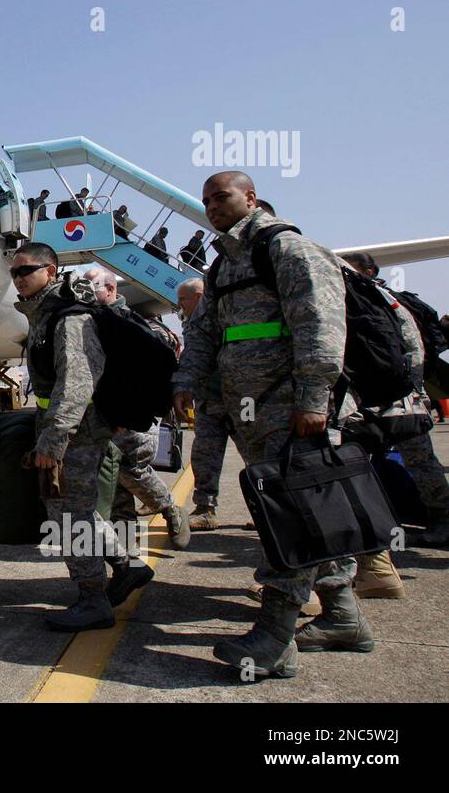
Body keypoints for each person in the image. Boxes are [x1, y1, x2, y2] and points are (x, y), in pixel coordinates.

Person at [174, 172, 365, 680]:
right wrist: (188, 377)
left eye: (223, 197)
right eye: (207, 200)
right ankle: (345, 617)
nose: (213, 206)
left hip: (292, 409)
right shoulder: (222, 266)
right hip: (251, 410)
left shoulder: (286, 249)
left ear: (251, 198)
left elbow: (320, 327)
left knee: (293, 517)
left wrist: (313, 399)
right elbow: (204, 330)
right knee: (301, 512)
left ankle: (274, 639)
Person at [12, 247, 146, 630]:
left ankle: (92, 600)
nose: (19, 277)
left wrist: (53, 442)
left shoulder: (68, 318)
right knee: (77, 512)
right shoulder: (44, 314)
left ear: (50, 271)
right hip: (66, 428)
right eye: (14, 271)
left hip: (76, 432)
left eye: (27, 270)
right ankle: (125, 567)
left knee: (69, 518)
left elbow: (76, 385)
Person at [339, 253, 449, 548]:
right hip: (394, 397)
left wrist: (413, 391)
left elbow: (414, 347)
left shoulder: (378, 300)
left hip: (390, 398)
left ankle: (441, 520)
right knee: (413, 459)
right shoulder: (386, 300)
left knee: (418, 460)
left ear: (370, 271)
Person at [83, 268, 190, 549]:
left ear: (111, 290)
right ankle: (123, 544)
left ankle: (169, 509)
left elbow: (150, 376)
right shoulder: (87, 323)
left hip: (131, 415)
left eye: (92, 286)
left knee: (131, 469)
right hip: (101, 415)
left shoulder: (135, 326)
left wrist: (125, 414)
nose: (87, 291)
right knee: (112, 476)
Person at [176, 278, 231, 531]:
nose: (179, 305)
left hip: (242, 398)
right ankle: (206, 509)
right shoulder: (194, 324)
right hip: (210, 399)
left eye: (183, 299)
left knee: (257, 455)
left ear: (199, 295)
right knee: (204, 454)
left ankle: (266, 505)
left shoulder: (228, 313)